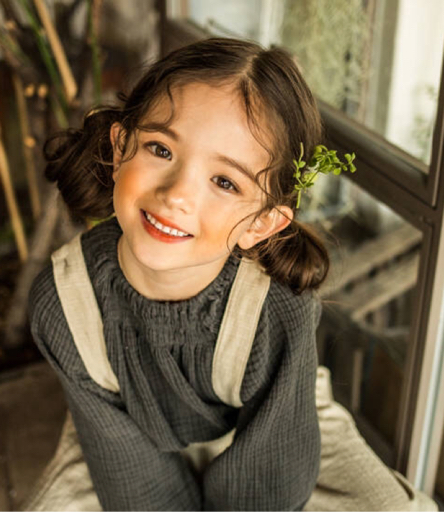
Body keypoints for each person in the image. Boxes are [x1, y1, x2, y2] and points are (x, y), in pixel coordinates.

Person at [28, 37, 358, 510]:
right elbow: (132, 478)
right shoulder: (64, 304)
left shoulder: (276, 312)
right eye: (160, 149)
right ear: (120, 149)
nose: (177, 195)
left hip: (279, 423)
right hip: (121, 425)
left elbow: (270, 478)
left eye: (224, 181)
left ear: (262, 223)